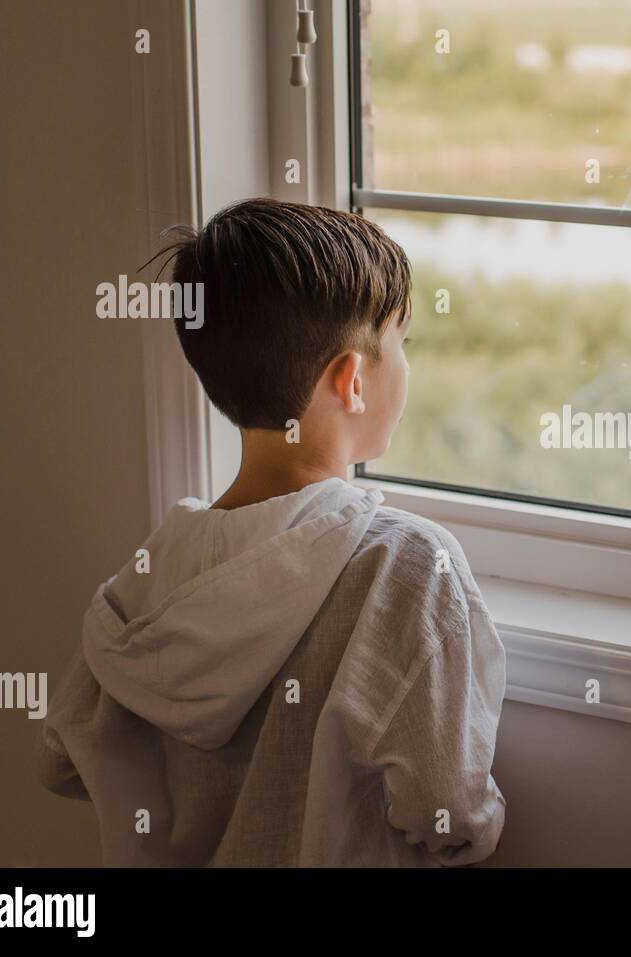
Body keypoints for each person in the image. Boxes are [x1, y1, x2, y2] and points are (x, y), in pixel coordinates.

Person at [36, 198, 507, 866]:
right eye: (403, 343)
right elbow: (450, 811)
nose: (407, 365)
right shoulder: (405, 565)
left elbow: (60, 760)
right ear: (350, 380)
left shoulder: (149, 575)